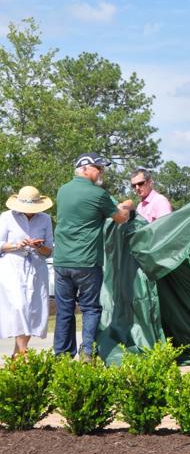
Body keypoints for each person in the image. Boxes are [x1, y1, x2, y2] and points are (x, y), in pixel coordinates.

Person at [53, 153, 134, 360]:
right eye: (98, 168)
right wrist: (127, 205)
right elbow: (121, 219)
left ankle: (62, 354)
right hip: (87, 262)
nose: (101, 172)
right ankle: (87, 351)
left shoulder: (62, 191)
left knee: (64, 310)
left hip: (61, 261)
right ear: (85, 168)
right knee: (90, 308)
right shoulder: (98, 194)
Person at [0, 186, 54, 357]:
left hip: (37, 267)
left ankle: (17, 354)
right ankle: (23, 353)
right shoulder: (6, 217)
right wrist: (18, 245)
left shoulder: (45, 219)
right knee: (19, 306)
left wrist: (39, 246)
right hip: (12, 267)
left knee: (33, 310)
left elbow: (49, 250)